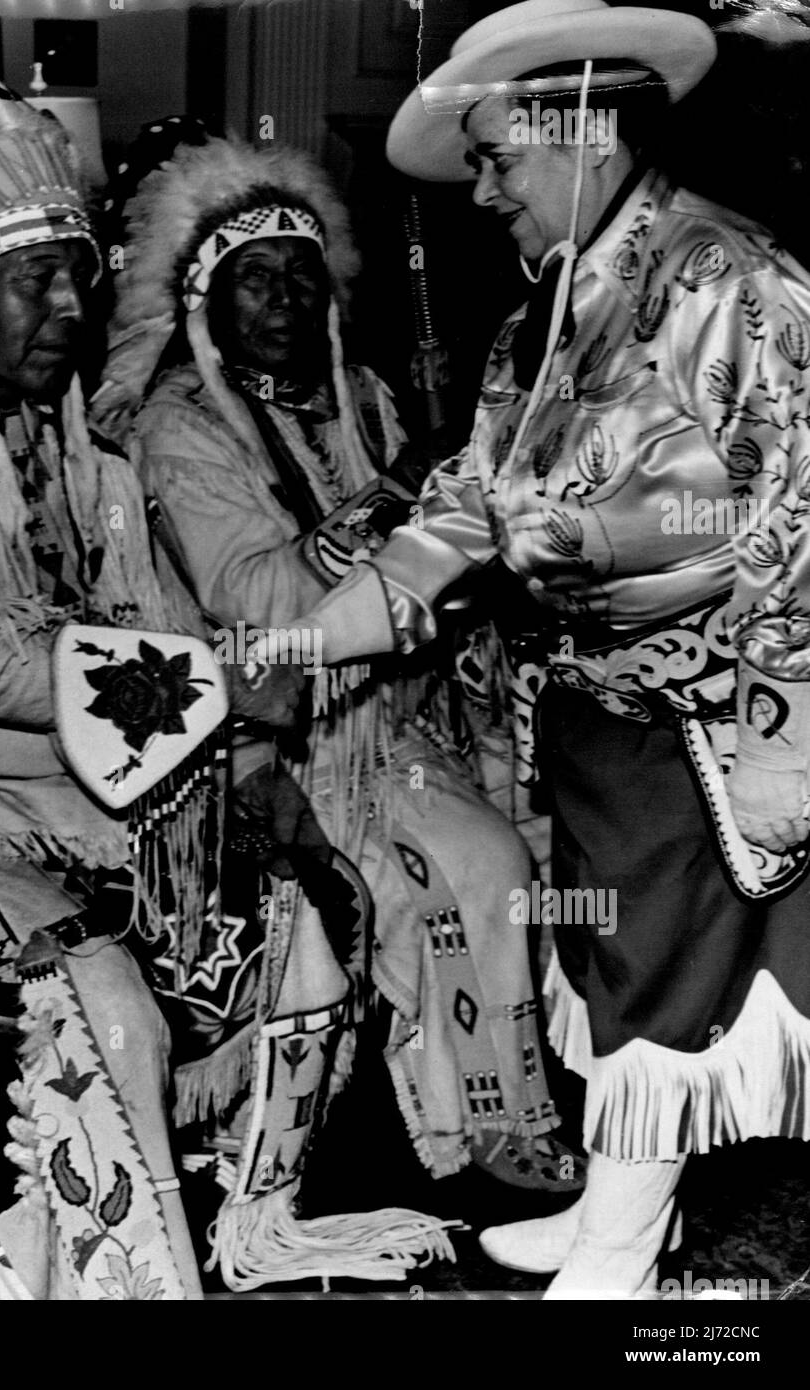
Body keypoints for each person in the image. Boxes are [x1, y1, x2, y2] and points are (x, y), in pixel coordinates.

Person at [0, 0, 452, 1298]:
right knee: (104, 997)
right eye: (32, 278)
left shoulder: (84, 448)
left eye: (79, 272)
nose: (68, 304)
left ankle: (251, 1222)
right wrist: (212, 686)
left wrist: (235, 732)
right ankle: (90, 1276)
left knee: (296, 927)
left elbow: (155, 627)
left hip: (96, 797)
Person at [250, 0, 810, 1298]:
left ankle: (618, 1244)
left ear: (581, 130)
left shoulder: (733, 280)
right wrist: (288, 636)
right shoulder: (538, 321)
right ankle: (622, 1212)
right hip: (590, 722)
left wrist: (788, 731)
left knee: (669, 979)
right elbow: (460, 509)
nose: (482, 185)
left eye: (496, 154)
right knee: (609, 962)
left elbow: (800, 511)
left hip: (712, 723)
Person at [100, 134, 583, 1199]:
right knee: (482, 864)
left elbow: (436, 571)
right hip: (266, 739)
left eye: (300, 273)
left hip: (395, 717)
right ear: (202, 301)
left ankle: (490, 1101)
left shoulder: (362, 392)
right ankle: (472, 1130)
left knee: (532, 842)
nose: (282, 298)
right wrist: (402, 495)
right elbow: (263, 604)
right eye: (253, 279)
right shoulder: (178, 427)